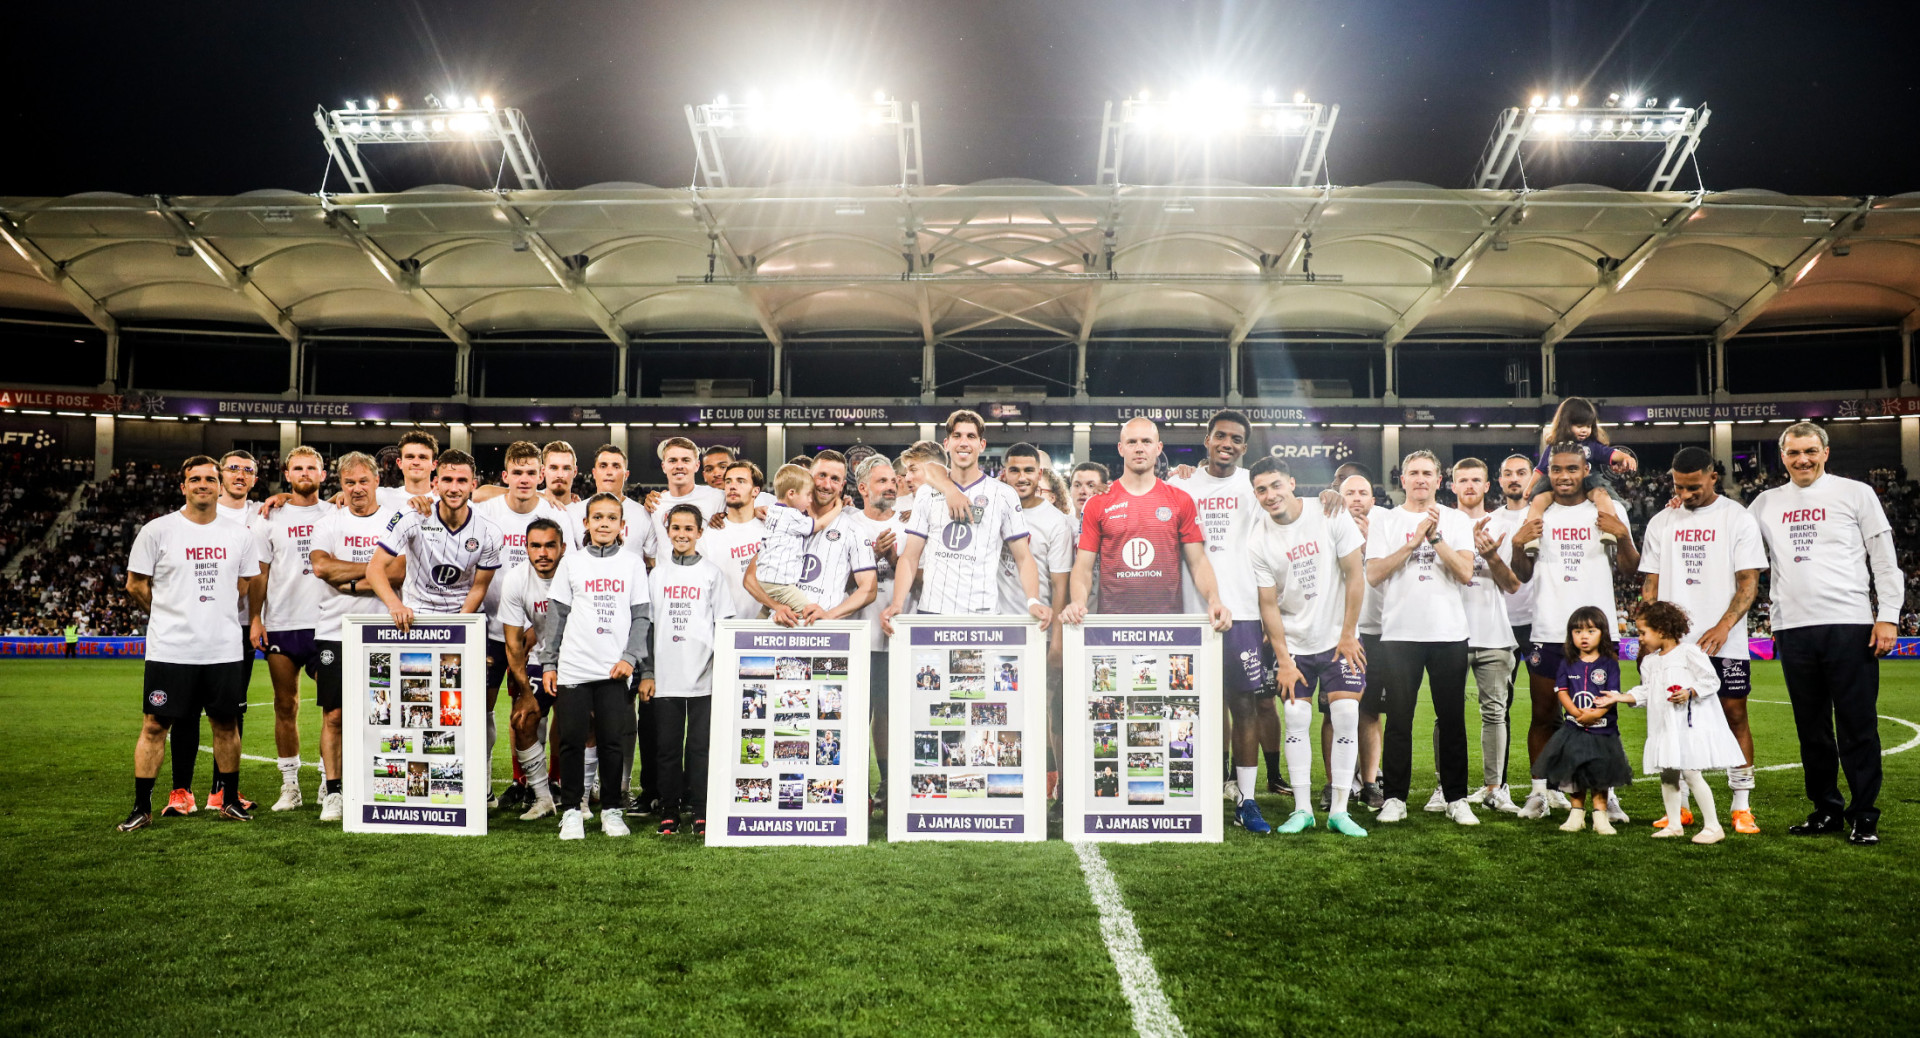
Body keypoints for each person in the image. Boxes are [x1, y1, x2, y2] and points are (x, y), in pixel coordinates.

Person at [1749, 421, 1903, 846]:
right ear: (1782, 457)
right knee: (1811, 729)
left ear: (1825, 452)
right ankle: (1825, 810)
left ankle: (1864, 815)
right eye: (1794, 453)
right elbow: (1735, 544)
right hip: (1793, 628)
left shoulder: (1856, 493)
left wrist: (1887, 615)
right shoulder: (1764, 503)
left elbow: (1885, 560)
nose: (1802, 460)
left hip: (1849, 624)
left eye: (1810, 451)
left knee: (1858, 726)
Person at [119, 456, 262, 830]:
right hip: (172, 649)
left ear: (219, 485)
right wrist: (168, 613)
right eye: (194, 479)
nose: (203, 484)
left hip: (223, 648)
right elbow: (135, 585)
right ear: (183, 486)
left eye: (210, 479)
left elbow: (243, 586)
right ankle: (141, 807)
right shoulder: (157, 531)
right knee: (154, 726)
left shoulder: (240, 535)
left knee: (226, 724)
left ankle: (228, 800)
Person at [1639, 446, 1768, 833]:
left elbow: (1748, 582)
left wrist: (1724, 626)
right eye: (1679, 486)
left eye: (1693, 486)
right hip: (1673, 646)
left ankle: (1741, 805)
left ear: (1713, 476)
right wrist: (1654, 635)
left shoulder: (1736, 518)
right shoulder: (1662, 521)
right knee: (1669, 720)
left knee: (1734, 716)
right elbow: (1651, 584)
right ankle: (1679, 808)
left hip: (1722, 641)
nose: (1686, 494)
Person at [1510, 441, 1640, 823]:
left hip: (1598, 631)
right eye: (1556, 470)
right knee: (1543, 715)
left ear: (1586, 471)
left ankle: (1606, 793)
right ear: (1547, 473)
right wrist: (1519, 543)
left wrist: (1624, 535)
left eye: (1571, 469)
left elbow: (1633, 569)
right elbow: (1521, 574)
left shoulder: (1607, 508)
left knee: (1602, 716)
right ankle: (1539, 794)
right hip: (1549, 627)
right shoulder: (1540, 512)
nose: (1564, 476)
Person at [1246, 456, 1369, 838]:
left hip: (1337, 639)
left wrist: (1348, 635)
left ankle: (1339, 810)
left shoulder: (1329, 512)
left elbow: (1355, 575)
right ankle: (1302, 810)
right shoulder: (1258, 538)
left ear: (1292, 483)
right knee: (1296, 718)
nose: (1270, 495)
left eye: (1276, 485)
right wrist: (1283, 660)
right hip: (1295, 644)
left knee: (1347, 713)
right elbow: (1268, 604)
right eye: (1262, 489)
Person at [1168, 412, 1279, 803]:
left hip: (1243, 610)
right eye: (1220, 436)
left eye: (1235, 438)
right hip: (1188, 612)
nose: (1227, 443)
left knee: (1244, 704)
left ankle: (1245, 797)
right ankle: (1193, 785)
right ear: (1207, 439)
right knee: (1185, 706)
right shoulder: (1179, 484)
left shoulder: (1253, 486)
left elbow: (1289, 511)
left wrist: (1330, 495)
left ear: (1244, 447)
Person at [1365, 450, 1480, 825]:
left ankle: (1456, 798)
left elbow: (1465, 572)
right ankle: (1395, 798)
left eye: (1426, 473)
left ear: (1438, 479)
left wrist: (1436, 539)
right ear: (1402, 480)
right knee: (1399, 719)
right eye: (1412, 473)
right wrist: (1412, 543)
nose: (1419, 479)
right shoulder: (1386, 520)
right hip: (1399, 634)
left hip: (1448, 632)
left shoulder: (1457, 519)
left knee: (1452, 719)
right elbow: (1374, 573)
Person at [541, 493, 651, 840]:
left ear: (622, 525)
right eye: (597, 517)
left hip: (614, 669)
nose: (604, 523)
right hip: (574, 665)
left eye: (611, 518)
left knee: (612, 742)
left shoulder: (632, 563)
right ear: (585, 524)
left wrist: (629, 659)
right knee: (571, 741)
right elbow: (557, 616)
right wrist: (549, 663)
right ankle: (572, 811)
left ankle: (612, 811)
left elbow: (641, 617)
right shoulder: (571, 562)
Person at [308, 451, 405, 822]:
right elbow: (320, 566)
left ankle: (379, 785)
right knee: (334, 715)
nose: (357, 489)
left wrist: (348, 578)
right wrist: (374, 573)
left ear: (377, 481)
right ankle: (333, 792)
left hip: (383, 632)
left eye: (363, 481)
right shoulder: (328, 522)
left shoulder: (394, 522)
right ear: (340, 485)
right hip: (336, 631)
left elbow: (397, 574)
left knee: (384, 714)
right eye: (349, 482)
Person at [1060, 417, 1230, 629]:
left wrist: (1214, 600)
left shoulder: (1181, 500)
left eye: (1146, 442)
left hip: (1167, 625)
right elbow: (1083, 568)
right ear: (1121, 449)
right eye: (1132, 442)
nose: (1139, 448)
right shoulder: (1097, 503)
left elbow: (1198, 562)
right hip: (1113, 624)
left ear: (1158, 448)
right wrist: (1077, 602)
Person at [884, 411, 1047, 628]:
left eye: (971, 437)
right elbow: (910, 557)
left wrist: (1033, 600)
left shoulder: (1003, 495)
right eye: (957, 436)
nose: (964, 442)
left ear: (982, 444)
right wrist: (897, 603)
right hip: (933, 611)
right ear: (947, 443)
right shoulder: (926, 493)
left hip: (982, 613)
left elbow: (1024, 558)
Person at [472, 441, 568, 809]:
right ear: (505, 476)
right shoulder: (486, 506)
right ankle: (499, 787)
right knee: (488, 710)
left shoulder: (556, 513)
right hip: (493, 627)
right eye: (518, 472)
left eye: (532, 473)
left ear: (541, 475)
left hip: (539, 631)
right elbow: (466, 491)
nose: (525, 479)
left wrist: (536, 631)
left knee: (540, 711)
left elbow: (565, 578)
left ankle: (547, 784)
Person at [1616, 601, 1745, 844]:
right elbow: (1646, 691)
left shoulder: (1689, 653)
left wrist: (1690, 691)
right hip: (1663, 726)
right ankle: (1674, 824)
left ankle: (1713, 826)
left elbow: (1711, 680)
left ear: (1662, 630)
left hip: (1686, 726)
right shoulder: (1649, 662)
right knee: (1667, 774)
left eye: (1643, 632)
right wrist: (1622, 697)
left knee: (1691, 773)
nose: (1640, 638)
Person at [250, 446, 333, 812]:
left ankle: (327, 781)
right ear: (287, 474)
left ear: (323, 474)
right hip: (282, 623)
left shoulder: (336, 513)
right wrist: (256, 617)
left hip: (325, 622)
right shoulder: (269, 517)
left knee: (334, 709)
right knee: (286, 705)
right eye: (297, 468)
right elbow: (261, 572)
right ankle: (290, 785)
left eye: (311, 467)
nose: (304, 473)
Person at [646, 503, 735, 836]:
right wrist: (648, 672)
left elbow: (723, 623)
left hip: (704, 676)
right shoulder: (658, 574)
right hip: (666, 677)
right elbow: (650, 624)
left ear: (700, 532)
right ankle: (669, 809)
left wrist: (720, 670)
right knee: (667, 748)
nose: (682, 534)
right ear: (667, 530)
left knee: (700, 748)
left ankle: (701, 808)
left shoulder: (712, 573)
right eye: (676, 528)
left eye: (689, 529)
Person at [1446, 458, 1523, 814]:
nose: (1470, 486)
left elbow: (1511, 585)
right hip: (1449, 633)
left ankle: (1496, 788)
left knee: (1494, 713)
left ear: (1487, 485)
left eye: (1476, 479)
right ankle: (1444, 787)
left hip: (1493, 633)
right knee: (1445, 715)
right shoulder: (1441, 524)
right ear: (1452, 485)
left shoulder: (1501, 524)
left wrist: (1492, 557)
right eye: (1463, 480)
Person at [998, 443, 1072, 797]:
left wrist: (1057, 639)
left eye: (1029, 470)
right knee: (1002, 713)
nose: (1022, 477)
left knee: (1049, 712)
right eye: (1015, 470)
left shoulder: (1055, 521)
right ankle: (1008, 787)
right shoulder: (992, 509)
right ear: (1004, 473)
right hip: (997, 629)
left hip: (1038, 631)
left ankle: (1054, 784)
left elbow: (1061, 586)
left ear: (1040, 474)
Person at [366, 449, 503, 631]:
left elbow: (479, 587)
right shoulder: (411, 515)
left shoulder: (489, 530)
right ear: (436, 483)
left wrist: (458, 624)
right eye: (447, 480)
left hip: (466, 615)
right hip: (417, 615)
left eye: (462, 481)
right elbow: (374, 568)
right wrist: (395, 605)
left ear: (473, 485)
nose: (454, 488)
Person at [746, 451, 878, 628]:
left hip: (821, 636)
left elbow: (869, 589)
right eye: (821, 476)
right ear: (809, 477)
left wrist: (829, 616)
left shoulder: (853, 529)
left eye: (835, 479)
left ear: (842, 486)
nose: (826, 484)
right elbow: (750, 578)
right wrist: (776, 606)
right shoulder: (785, 520)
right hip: (778, 632)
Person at [1530, 606, 1631, 835]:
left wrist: (1595, 715)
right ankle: (1576, 814)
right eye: (1577, 631)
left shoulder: (1609, 664)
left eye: (1590, 630)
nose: (1583, 636)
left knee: (1600, 773)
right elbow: (1562, 691)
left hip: (1603, 732)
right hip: (1574, 729)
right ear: (1570, 635)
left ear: (1602, 633)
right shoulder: (1566, 662)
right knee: (1575, 772)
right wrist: (1577, 714)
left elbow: (1612, 695)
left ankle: (1600, 815)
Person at [499, 517, 565, 820]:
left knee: (583, 721)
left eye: (550, 545)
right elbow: (513, 643)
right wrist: (524, 691)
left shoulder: (575, 572)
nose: (543, 553)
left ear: (562, 548)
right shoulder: (515, 579)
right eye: (535, 546)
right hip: (539, 659)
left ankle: (578, 795)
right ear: (525, 548)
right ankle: (542, 798)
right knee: (523, 720)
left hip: (577, 659)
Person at [851, 454, 907, 809]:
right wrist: (871, 556)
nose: (889, 486)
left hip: (899, 634)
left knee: (890, 713)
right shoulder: (848, 523)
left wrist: (894, 559)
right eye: (881, 481)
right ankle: (855, 784)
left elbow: (918, 579)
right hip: (857, 633)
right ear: (862, 488)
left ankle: (888, 784)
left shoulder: (910, 524)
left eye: (893, 481)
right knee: (857, 712)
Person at [1514, 397, 1638, 557]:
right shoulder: (1554, 447)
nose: (1584, 430)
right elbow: (1540, 469)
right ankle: (1532, 539)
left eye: (1588, 426)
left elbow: (1612, 453)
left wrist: (1627, 458)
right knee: (1538, 501)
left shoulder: (1592, 445)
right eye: (1579, 426)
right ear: (1566, 424)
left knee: (1603, 496)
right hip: (1556, 486)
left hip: (1589, 483)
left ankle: (1609, 532)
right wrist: (1530, 487)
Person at [751, 463, 841, 614]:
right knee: (810, 612)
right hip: (780, 583)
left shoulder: (772, 509)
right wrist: (838, 507)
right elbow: (819, 524)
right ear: (791, 493)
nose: (810, 500)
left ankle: (751, 636)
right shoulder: (791, 515)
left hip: (765, 578)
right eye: (807, 495)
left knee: (767, 613)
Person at [703, 460, 769, 622]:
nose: (732, 486)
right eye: (728, 481)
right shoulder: (709, 535)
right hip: (725, 630)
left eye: (741, 481)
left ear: (755, 491)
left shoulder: (770, 530)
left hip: (768, 627)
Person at [644, 436, 727, 552]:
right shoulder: (655, 504)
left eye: (686, 460)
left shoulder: (718, 497)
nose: (679, 466)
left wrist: (759, 508)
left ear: (697, 466)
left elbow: (751, 505)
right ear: (664, 466)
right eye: (672, 460)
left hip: (705, 569)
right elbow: (650, 553)